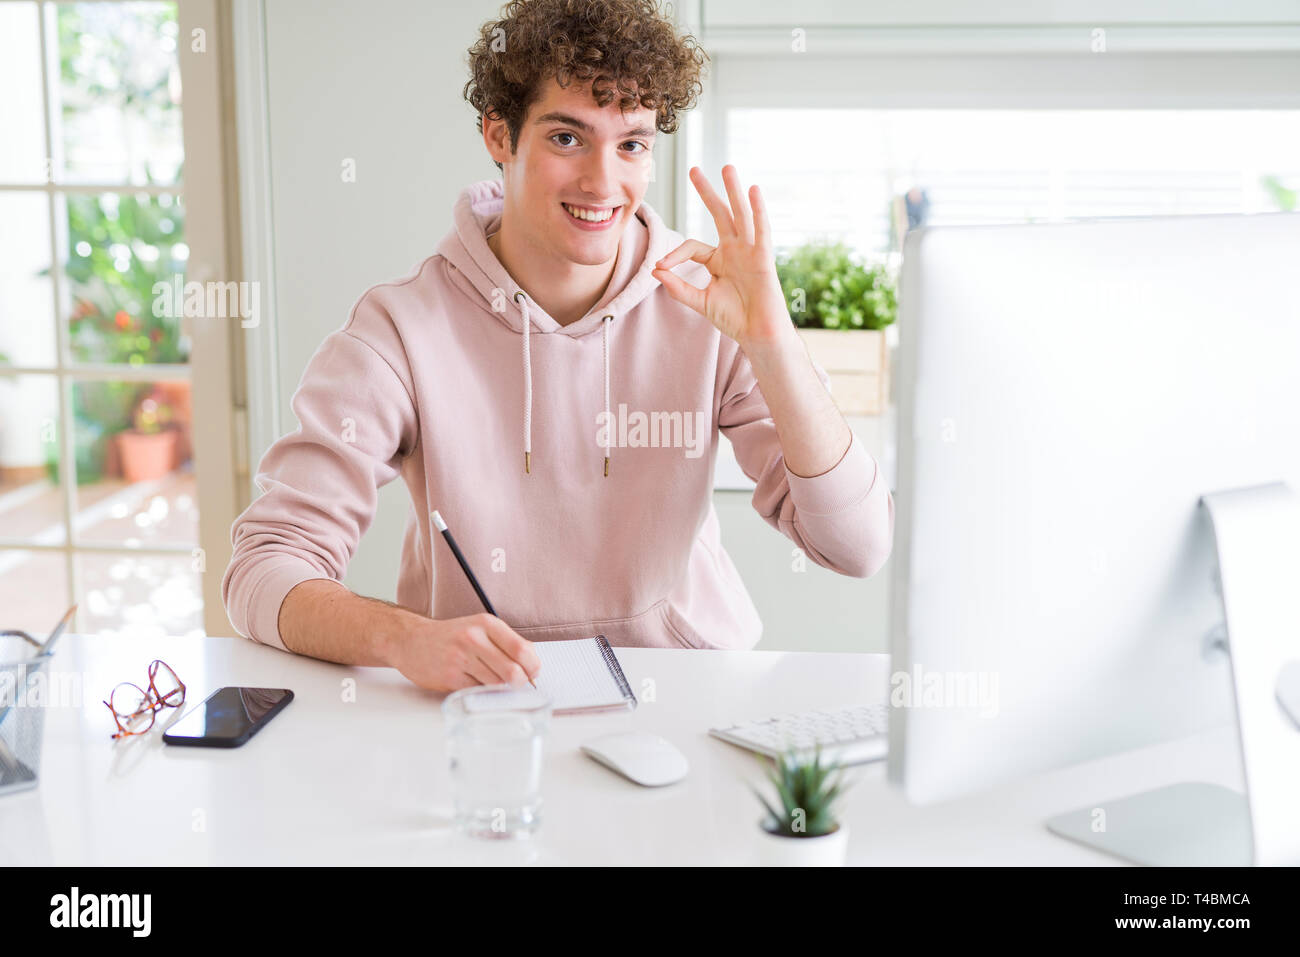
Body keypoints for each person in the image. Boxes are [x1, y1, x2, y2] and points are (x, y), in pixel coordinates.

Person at [221, 0, 894, 693]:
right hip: (487, 709)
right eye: (567, 138)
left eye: (631, 143)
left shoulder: (707, 310)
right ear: (499, 135)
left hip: (683, 692)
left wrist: (772, 340)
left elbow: (858, 547)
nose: (604, 182)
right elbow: (263, 567)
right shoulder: (401, 330)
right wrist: (403, 636)